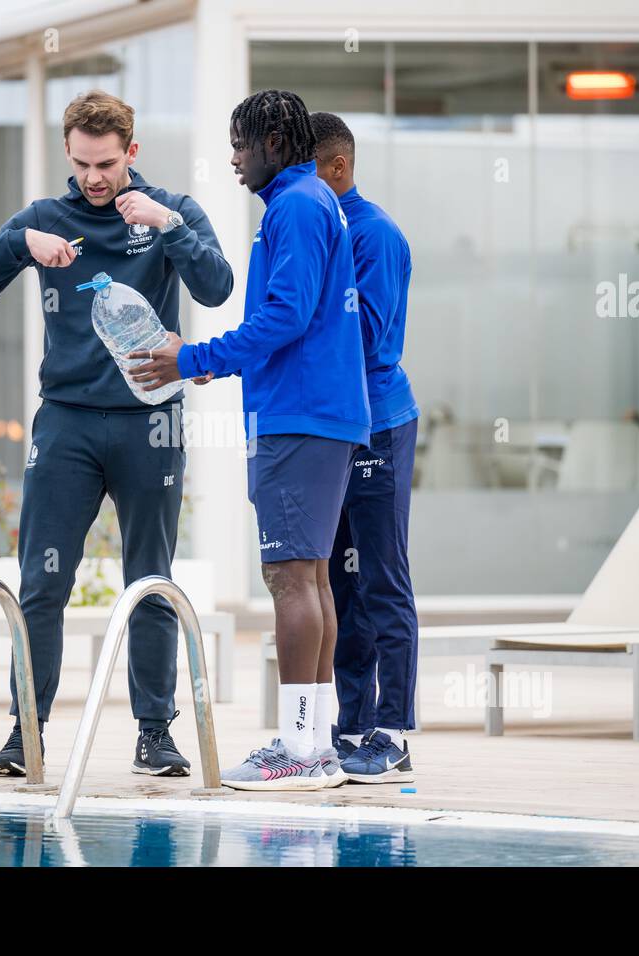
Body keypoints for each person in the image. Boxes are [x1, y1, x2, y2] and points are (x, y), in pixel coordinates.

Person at [0, 90, 233, 777]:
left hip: (150, 423)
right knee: (43, 583)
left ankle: (155, 734)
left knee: (151, 580)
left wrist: (169, 226)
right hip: (68, 424)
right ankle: (27, 733)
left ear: (130, 152)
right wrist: (19, 244)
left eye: (105, 163)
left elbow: (218, 288)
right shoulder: (47, 219)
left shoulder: (170, 212)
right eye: (81, 164)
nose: (94, 178)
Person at [130, 90, 369, 790]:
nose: (232, 160)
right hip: (316, 413)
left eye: (239, 145)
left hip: (302, 416)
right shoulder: (309, 202)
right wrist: (223, 361)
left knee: (289, 577)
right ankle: (316, 742)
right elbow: (290, 319)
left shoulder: (295, 205)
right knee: (313, 576)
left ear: (271, 140)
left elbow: (287, 316)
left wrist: (194, 357)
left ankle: (298, 748)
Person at [311, 111, 419, 783]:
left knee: (382, 578)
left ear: (338, 168)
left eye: (307, 171)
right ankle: (351, 725)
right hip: (334, 426)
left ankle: (394, 730)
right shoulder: (321, 228)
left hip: (378, 422)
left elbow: (370, 341)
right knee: (341, 583)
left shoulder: (375, 234)